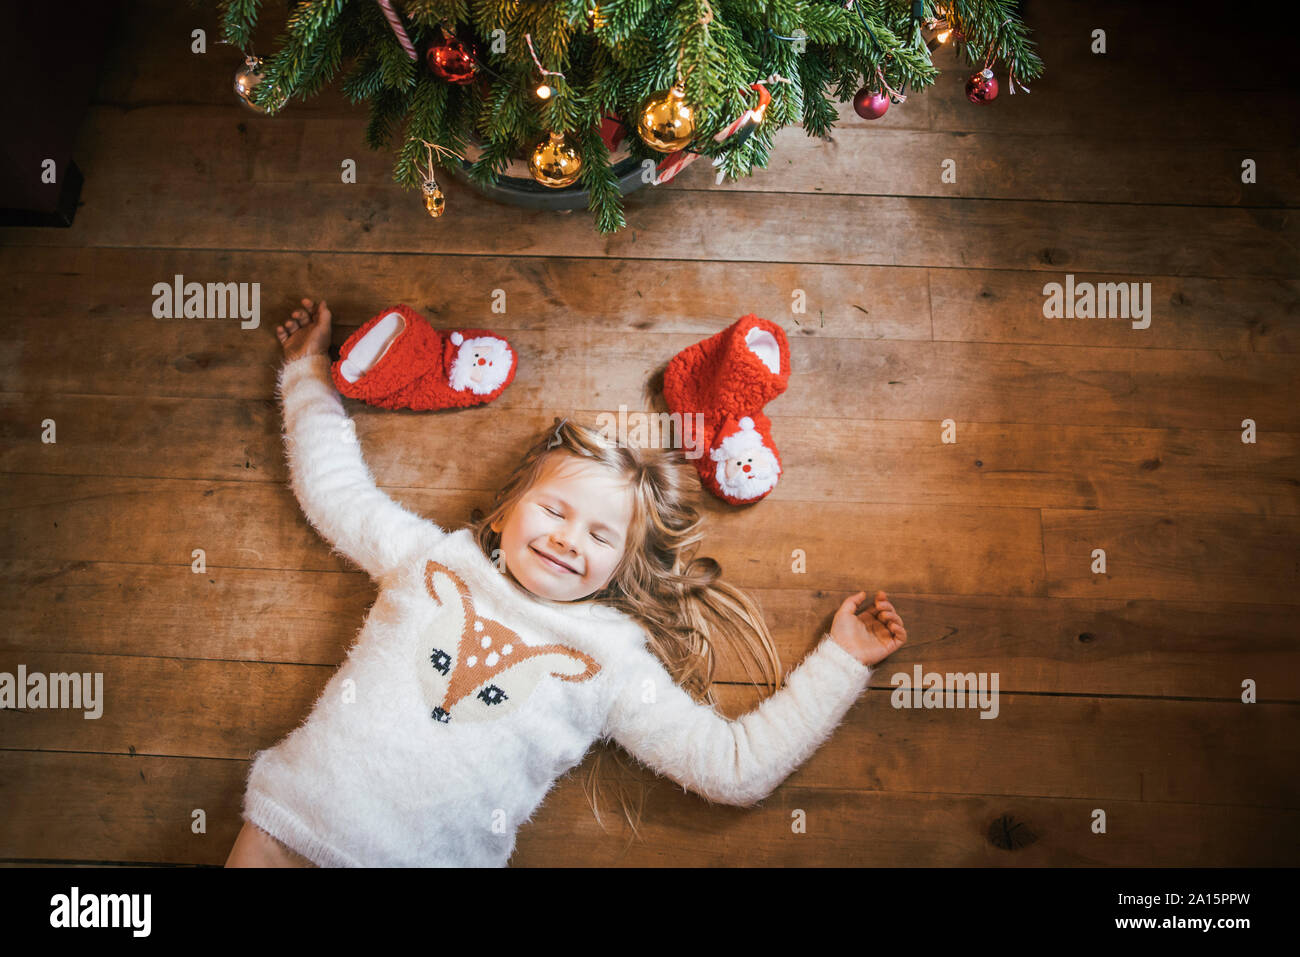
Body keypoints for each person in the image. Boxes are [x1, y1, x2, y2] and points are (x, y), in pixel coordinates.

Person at [225, 298, 907, 867]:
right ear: (504, 514)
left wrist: (842, 660)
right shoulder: (430, 559)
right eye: (554, 509)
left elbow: (731, 767)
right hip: (288, 829)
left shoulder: (609, 662)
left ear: (619, 568)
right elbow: (334, 489)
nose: (566, 536)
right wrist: (308, 374)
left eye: (601, 535)